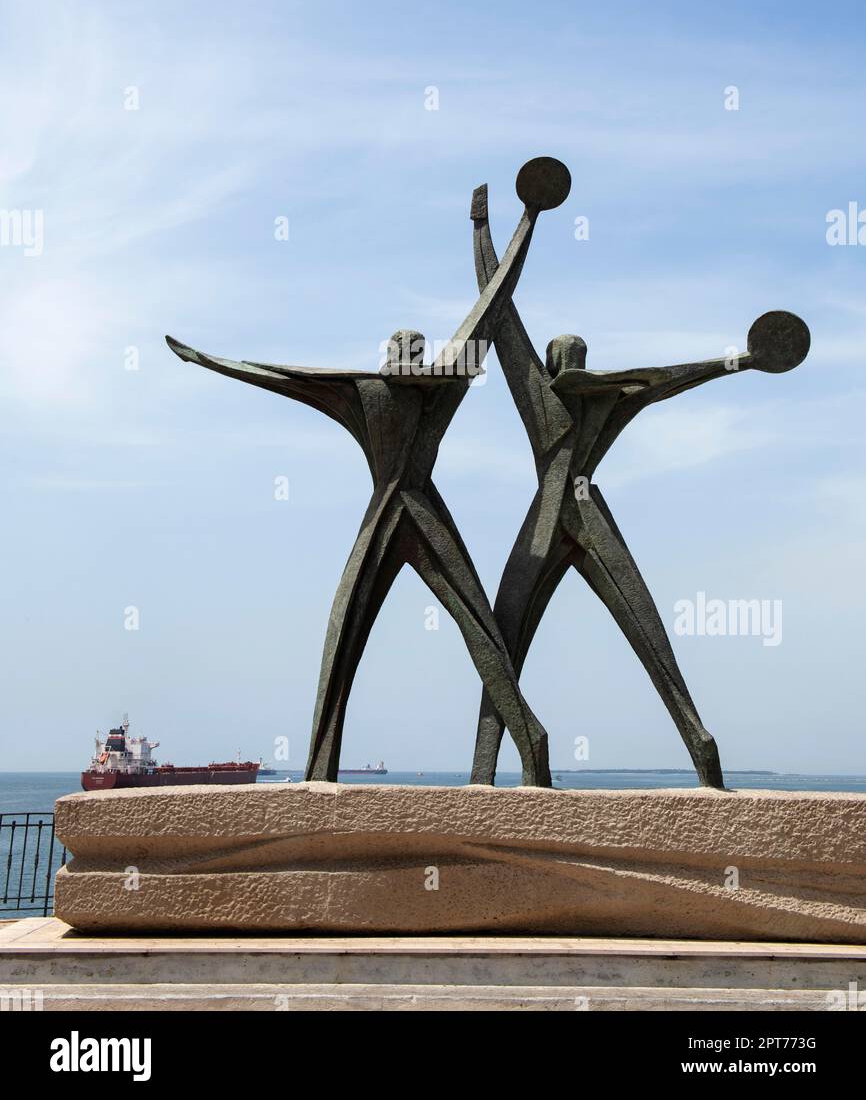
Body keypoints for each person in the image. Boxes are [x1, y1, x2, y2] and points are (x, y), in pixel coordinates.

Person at [167, 157, 571, 785]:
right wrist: (510, 224)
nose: (401, 359)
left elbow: (491, 309)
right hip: (412, 509)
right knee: (373, 639)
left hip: (401, 511)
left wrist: (510, 223)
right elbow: (491, 309)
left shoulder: (410, 386)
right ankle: (326, 767)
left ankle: (523, 743)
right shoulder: (427, 384)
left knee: (428, 638)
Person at [468, 182, 810, 789]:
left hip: (552, 514)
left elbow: (498, 315)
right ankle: (698, 753)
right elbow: (680, 373)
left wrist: (489, 230)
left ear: (548, 365)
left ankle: (486, 772)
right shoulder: (613, 393)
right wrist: (746, 360)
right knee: (545, 639)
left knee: (507, 643)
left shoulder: (551, 393)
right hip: (581, 507)